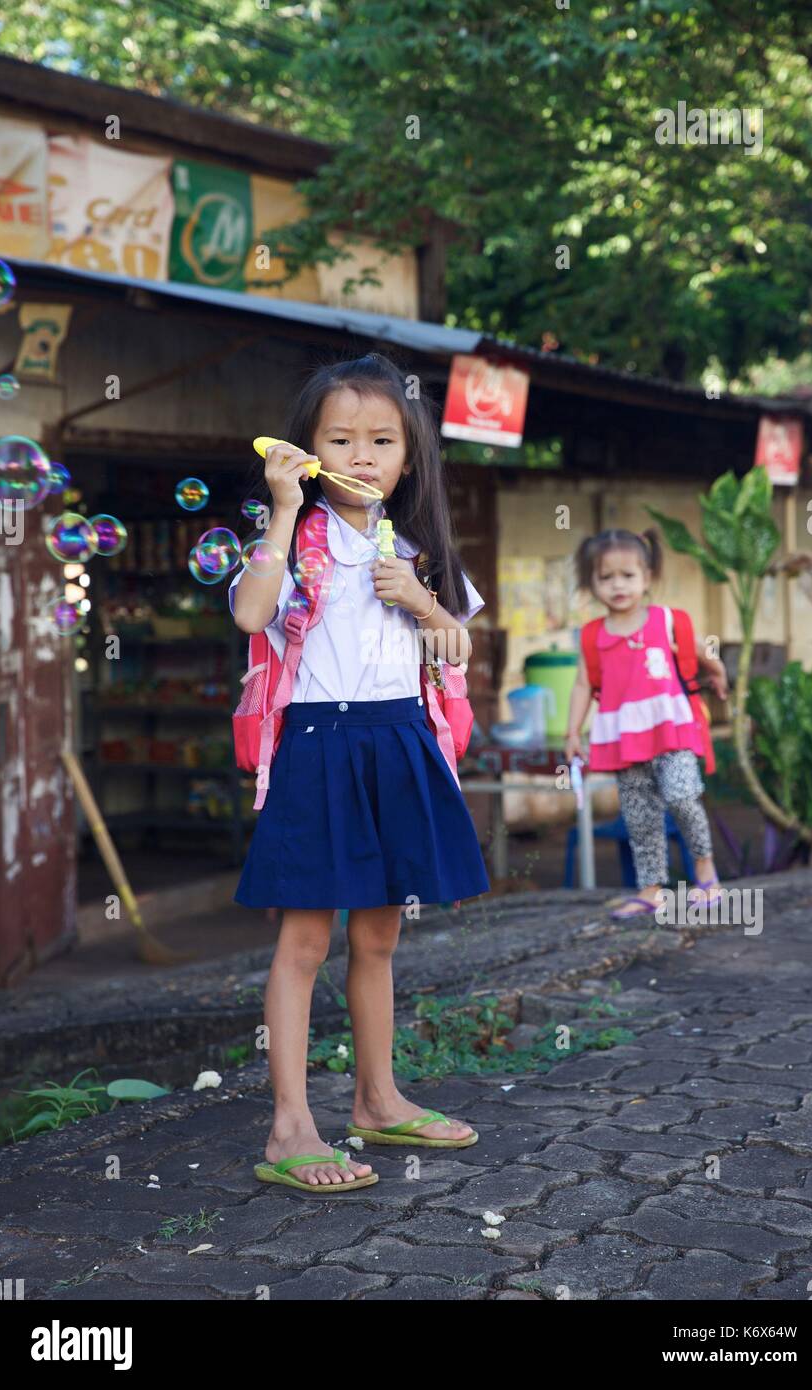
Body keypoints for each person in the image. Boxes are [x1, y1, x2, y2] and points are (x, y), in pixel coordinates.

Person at [229, 352, 489, 1193]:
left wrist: (420, 600)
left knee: (379, 933)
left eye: (382, 439)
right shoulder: (297, 542)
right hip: (318, 743)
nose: (362, 455)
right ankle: (289, 1128)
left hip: (398, 740)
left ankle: (377, 1099)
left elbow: (457, 646)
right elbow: (250, 612)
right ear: (306, 451)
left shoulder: (419, 548)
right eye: (339, 439)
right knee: (304, 939)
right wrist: (279, 509)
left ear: (410, 455)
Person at [565, 527, 728, 921]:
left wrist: (718, 671)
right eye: (606, 577)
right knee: (639, 818)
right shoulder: (592, 636)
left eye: (628, 575)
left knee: (683, 797)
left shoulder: (667, 621)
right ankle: (651, 890)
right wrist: (573, 732)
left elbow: (703, 652)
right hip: (624, 737)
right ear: (592, 583)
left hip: (670, 727)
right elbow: (585, 683)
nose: (617, 586)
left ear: (648, 577)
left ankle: (706, 875)